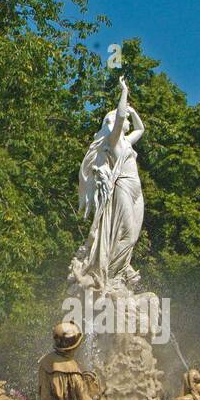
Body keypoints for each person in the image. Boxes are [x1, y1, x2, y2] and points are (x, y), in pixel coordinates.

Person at [72, 76, 146, 294]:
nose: (126, 122)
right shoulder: (113, 141)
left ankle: (119, 272)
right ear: (112, 124)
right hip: (122, 186)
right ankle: (112, 275)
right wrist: (124, 91)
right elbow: (121, 114)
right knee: (127, 234)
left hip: (137, 191)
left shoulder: (126, 142)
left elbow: (140, 129)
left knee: (133, 238)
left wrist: (134, 113)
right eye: (121, 120)